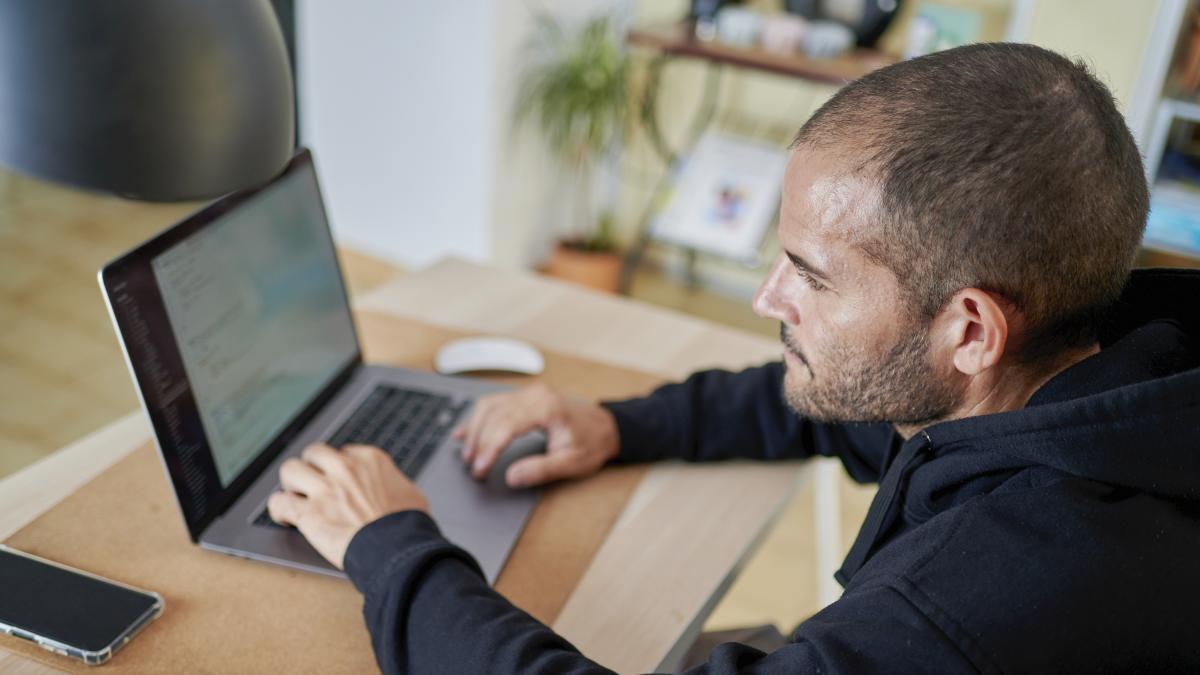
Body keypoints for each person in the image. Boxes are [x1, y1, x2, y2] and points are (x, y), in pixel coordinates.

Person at [266, 42, 1200, 673]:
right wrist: (617, 423)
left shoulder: (979, 592)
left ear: (968, 329)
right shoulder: (1103, 365)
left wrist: (389, 545)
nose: (767, 298)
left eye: (811, 275)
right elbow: (854, 411)